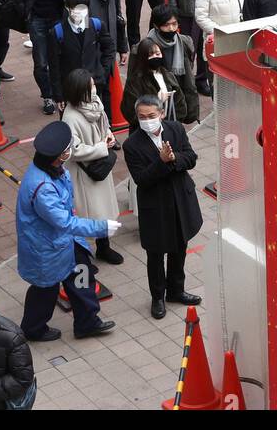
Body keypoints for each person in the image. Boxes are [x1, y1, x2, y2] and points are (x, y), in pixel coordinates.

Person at [16, 121, 119, 342]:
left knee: (82, 274)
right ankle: (33, 328)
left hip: (65, 241)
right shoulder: (42, 189)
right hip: (47, 247)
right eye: (66, 151)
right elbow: (64, 222)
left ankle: (87, 321)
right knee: (45, 290)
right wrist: (100, 227)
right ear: (57, 157)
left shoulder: (54, 170)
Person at [124, 95, 204, 319]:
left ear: (161, 113)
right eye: (142, 117)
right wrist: (161, 161)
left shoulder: (176, 129)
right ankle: (158, 297)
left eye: (151, 116)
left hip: (180, 201)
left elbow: (191, 157)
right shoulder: (132, 145)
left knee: (180, 248)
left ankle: (176, 290)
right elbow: (141, 178)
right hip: (155, 207)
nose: (147, 120)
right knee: (156, 255)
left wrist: (173, 158)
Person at [60, 70, 122, 265]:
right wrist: (102, 147)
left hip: (99, 167)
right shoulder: (70, 117)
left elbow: (104, 125)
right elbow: (74, 150)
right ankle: (82, 253)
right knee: (90, 213)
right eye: (90, 87)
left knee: (102, 210)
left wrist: (109, 134)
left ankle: (104, 247)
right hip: (84, 173)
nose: (94, 89)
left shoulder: (95, 105)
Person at [46, 0, 113, 113]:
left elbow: (109, 48)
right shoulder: (58, 32)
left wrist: (103, 71)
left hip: (94, 84)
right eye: (74, 8)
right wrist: (58, 95)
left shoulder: (96, 25)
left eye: (82, 8)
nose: (78, 12)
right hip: (70, 88)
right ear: (67, 8)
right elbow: (54, 66)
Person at [75, 0, 129, 94]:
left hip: (108, 52)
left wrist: (122, 47)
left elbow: (119, 20)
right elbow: (77, 28)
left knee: (107, 92)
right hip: (89, 55)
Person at [146, 5, 199, 125]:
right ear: (156, 25)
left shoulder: (184, 42)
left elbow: (188, 76)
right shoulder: (146, 47)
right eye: (166, 25)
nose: (171, 29)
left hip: (179, 97)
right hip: (160, 100)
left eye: (174, 24)